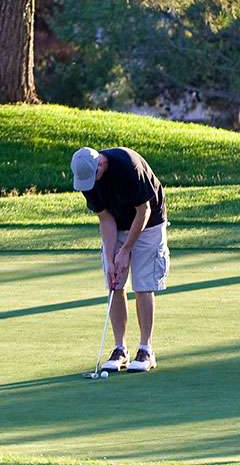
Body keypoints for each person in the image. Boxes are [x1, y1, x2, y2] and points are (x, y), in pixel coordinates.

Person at [71, 146, 170, 372]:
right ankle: (120, 349)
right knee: (114, 283)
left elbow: (143, 211)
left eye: (93, 177)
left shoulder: (128, 166)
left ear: (101, 165)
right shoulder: (86, 178)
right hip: (118, 222)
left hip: (149, 222)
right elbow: (105, 220)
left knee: (143, 284)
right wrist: (110, 257)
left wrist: (126, 250)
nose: (90, 184)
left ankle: (146, 350)